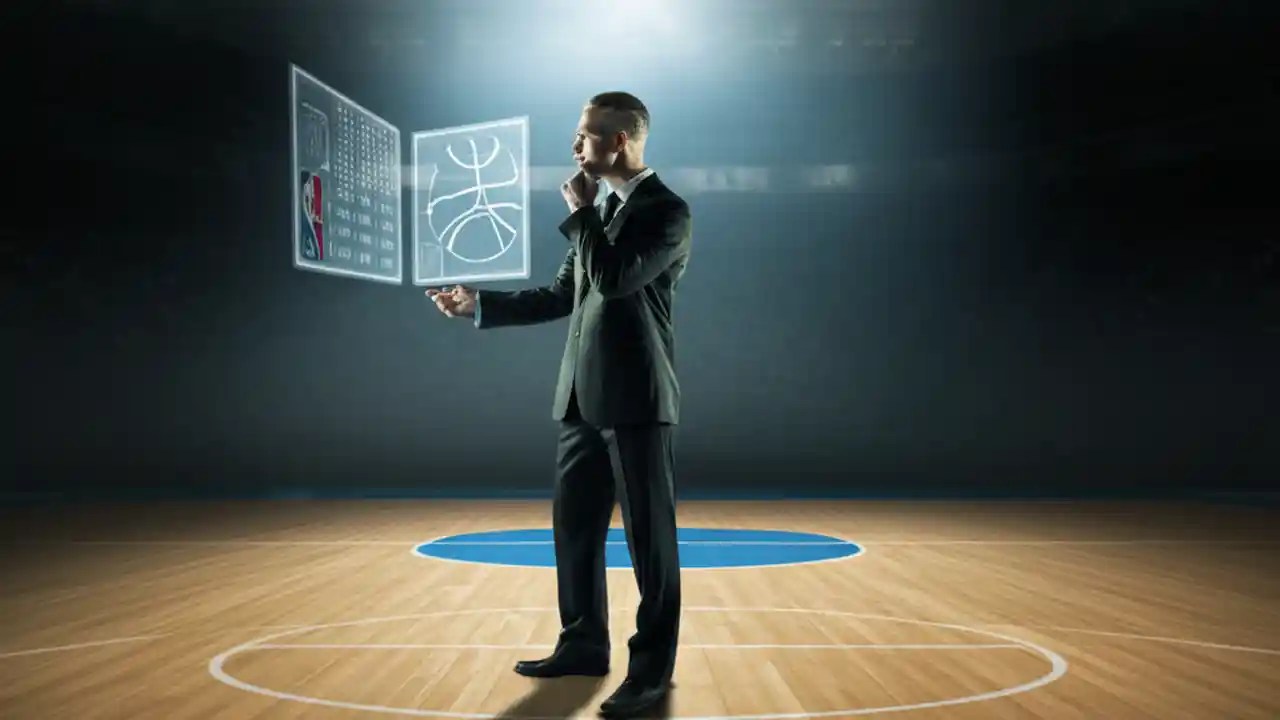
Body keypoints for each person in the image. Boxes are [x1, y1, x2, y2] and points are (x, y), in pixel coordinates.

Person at [427, 91, 690, 718]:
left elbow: (616, 278)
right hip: (580, 399)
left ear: (621, 138)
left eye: (586, 134)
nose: (575, 146)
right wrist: (480, 304)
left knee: (650, 545)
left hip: (635, 400)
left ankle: (649, 675)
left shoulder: (666, 211)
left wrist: (581, 213)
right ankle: (582, 646)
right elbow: (562, 294)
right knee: (574, 532)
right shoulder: (600, 217)